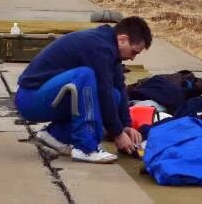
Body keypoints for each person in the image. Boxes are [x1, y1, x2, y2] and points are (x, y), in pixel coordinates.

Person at [15, 16, 152, 163]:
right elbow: (102, 91)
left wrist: (125, 126)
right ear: (123, 39)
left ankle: (55, 135)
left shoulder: (110, 48)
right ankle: (85, 148)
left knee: (115, 95)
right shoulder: (98, 47)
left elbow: (118, 86)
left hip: (50, 95)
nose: (133, 58)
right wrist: (117, 134)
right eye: (134, 52)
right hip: (31, 98)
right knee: (85, 76)